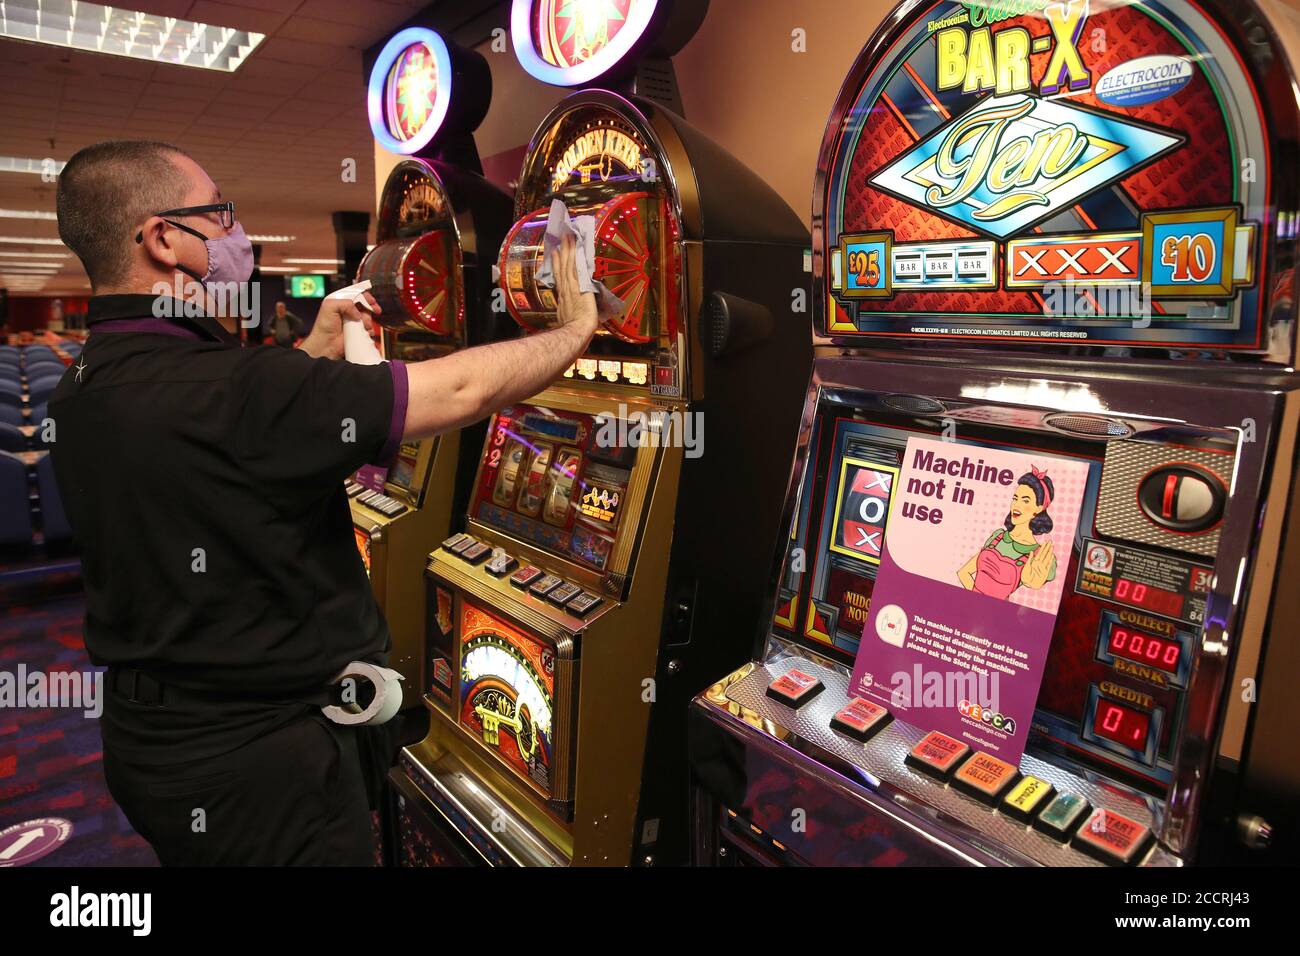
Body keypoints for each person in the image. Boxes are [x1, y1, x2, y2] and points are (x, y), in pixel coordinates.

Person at [48, 140, 598, 865]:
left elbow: (221, 440)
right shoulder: (226, 387)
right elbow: (462, 392)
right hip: (263, 766)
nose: (235, 233)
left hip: (154, 739)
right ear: (161, 238)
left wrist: (314, 347)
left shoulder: (89, 379)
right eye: (218, 214)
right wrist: (575, 327)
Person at [957, 467, 1057, 599]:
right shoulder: (997, 536)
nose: (1016, 505)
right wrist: (979, 599)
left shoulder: (1041, 556)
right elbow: (963, 573)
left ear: (1039, 508)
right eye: (1015, 498)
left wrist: (1034, 584)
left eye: (1025, 500)